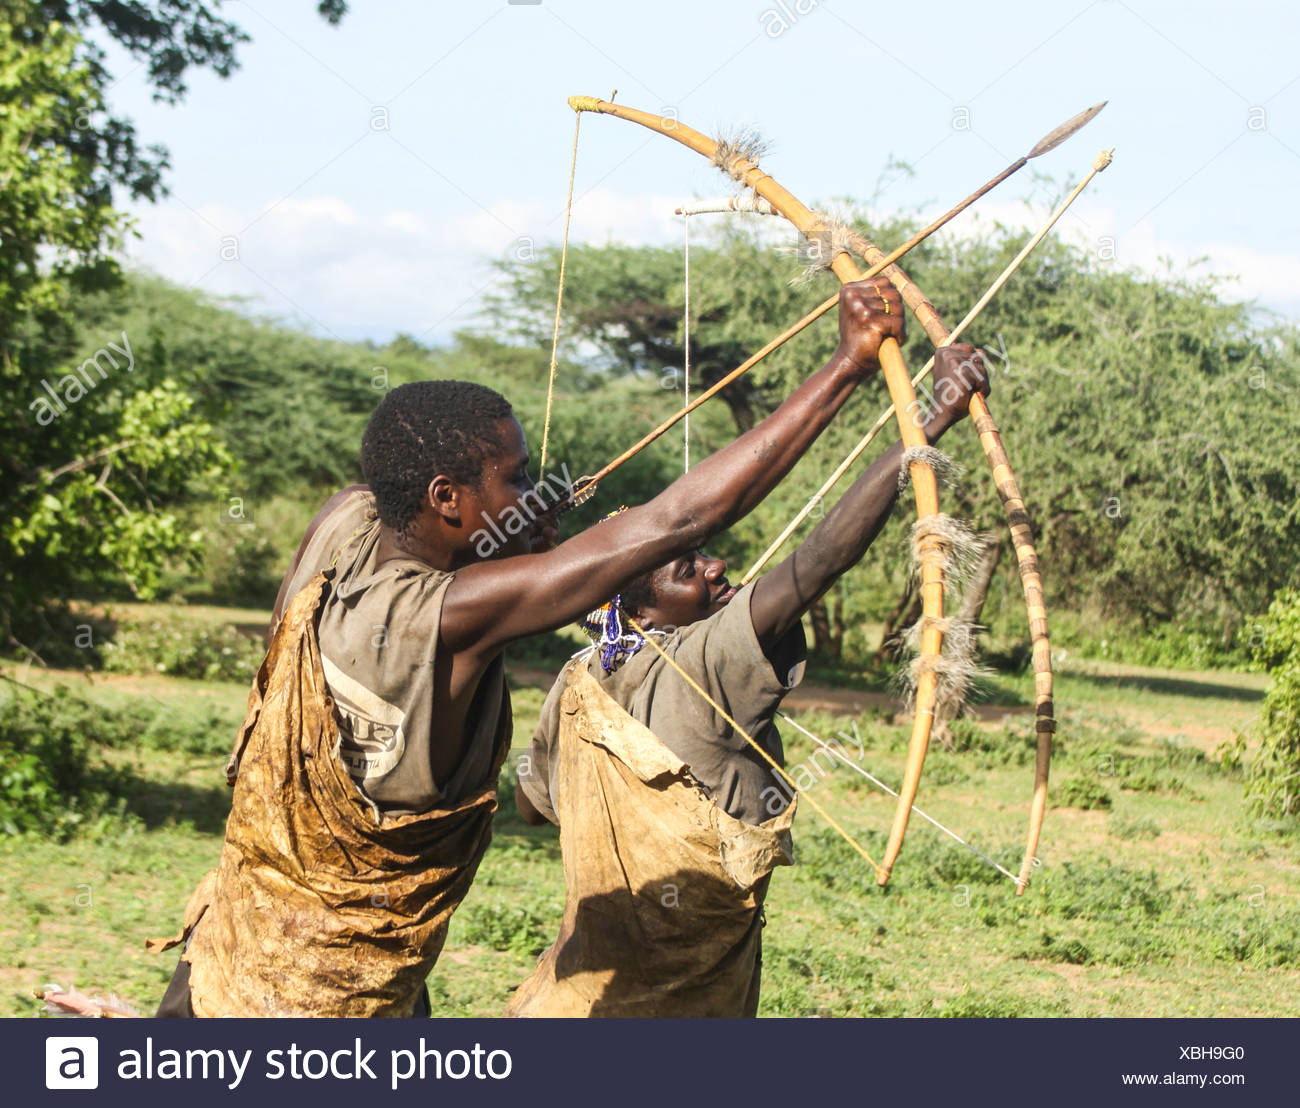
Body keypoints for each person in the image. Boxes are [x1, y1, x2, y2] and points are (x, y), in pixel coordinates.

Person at [151, 276, 906, 1017]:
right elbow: (673, 521)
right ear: (446, 498)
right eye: (515, 478)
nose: (533, 494)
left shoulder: (343, 523)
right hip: (320, 1011)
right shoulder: (451, 620)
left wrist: (500, 533)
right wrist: (846, 366)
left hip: (221, 957)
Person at [508, 344, 989, 1017]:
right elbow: (816, 564)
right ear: (638, 611)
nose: (713, 567)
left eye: (701, 555)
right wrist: (928, 419)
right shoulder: (703, 659)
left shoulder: (580, 677)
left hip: (569, 1003)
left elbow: (532, 807)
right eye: (685, 570)